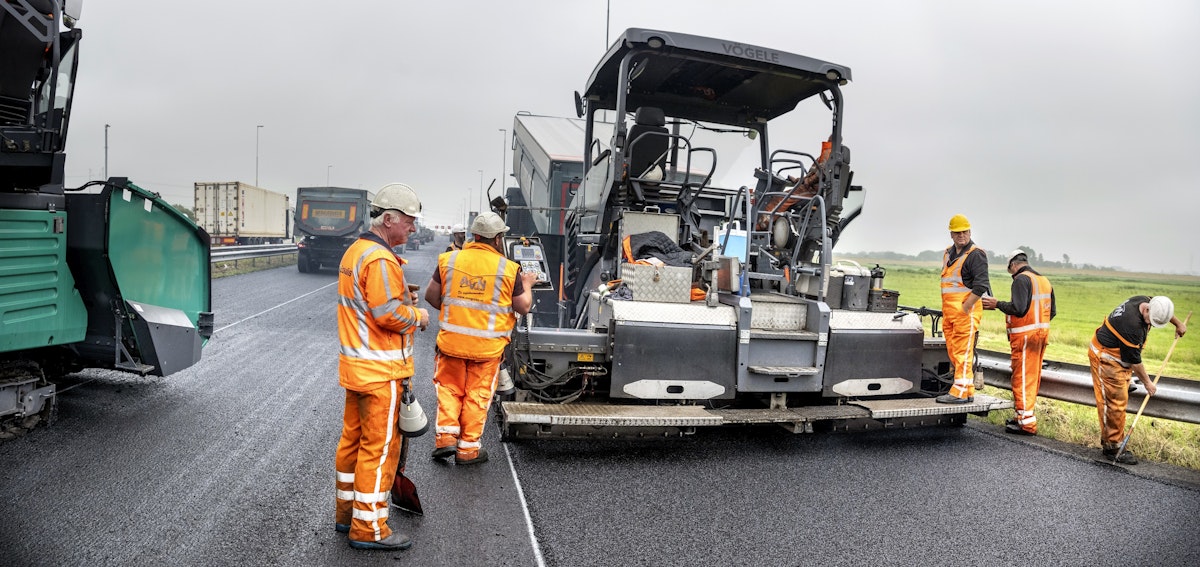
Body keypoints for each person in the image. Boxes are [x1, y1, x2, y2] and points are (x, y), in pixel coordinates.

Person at [333, 182, 430, 551]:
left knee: (352, 444)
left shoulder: (356, 252)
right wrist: (417, 314)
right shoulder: (381, 259)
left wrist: (403, 298)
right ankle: (370, 528)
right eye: (408, 221)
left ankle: (347, 515)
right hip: (381, 373)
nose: (412, 228)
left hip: (357, 368)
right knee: (380, 448)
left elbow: (370, 305)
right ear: (388, 219)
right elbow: (387, 314)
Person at [424, 212, 535, 465]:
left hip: (451, 344)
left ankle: (445, 441)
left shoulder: (449, 259)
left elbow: (431, 297)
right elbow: (523, 306)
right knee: (477, 395)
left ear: (473, 235)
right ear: (498, 239)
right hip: (487, 348)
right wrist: (527, 283)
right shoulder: (508, 269)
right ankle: (468, 451)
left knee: (449, 391)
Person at [1088, 295, 1186, 464]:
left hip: (1119, 354)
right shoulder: (1131, 326)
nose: (1149, 325)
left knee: (1119, 398)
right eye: (1150, 321)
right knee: (1115, 404)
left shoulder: (1146, 300)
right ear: (1147, 309)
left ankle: (1111, 441)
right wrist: (1148, 383)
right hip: (1107, 357)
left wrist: (1178, 323)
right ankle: (1113, 447)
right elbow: (1135, 361)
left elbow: (1161, 309)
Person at [981, 250, 1056, 435]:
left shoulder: (1021, 279)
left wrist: (996, 304)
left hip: (1024, 337)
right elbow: (1052, 312)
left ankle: (1026, 423)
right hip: (1040, 335)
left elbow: (1019, 309)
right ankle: (1022, 415)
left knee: (1021, 378)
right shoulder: (1044, 280)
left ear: (1013, 265)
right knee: (1031, 377)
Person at [936, 214, 991, 404]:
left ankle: (959, 392)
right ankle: (966, 388)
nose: (962, 236)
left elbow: (981, 285)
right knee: (954, 351)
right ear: (951, 234)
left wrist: (965, 308)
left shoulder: (976, 254)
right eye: (958, 232)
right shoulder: (947, 253)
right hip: (950, 314)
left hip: (965, 313)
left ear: (970, 232)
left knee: (962, 352)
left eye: (965, 232)